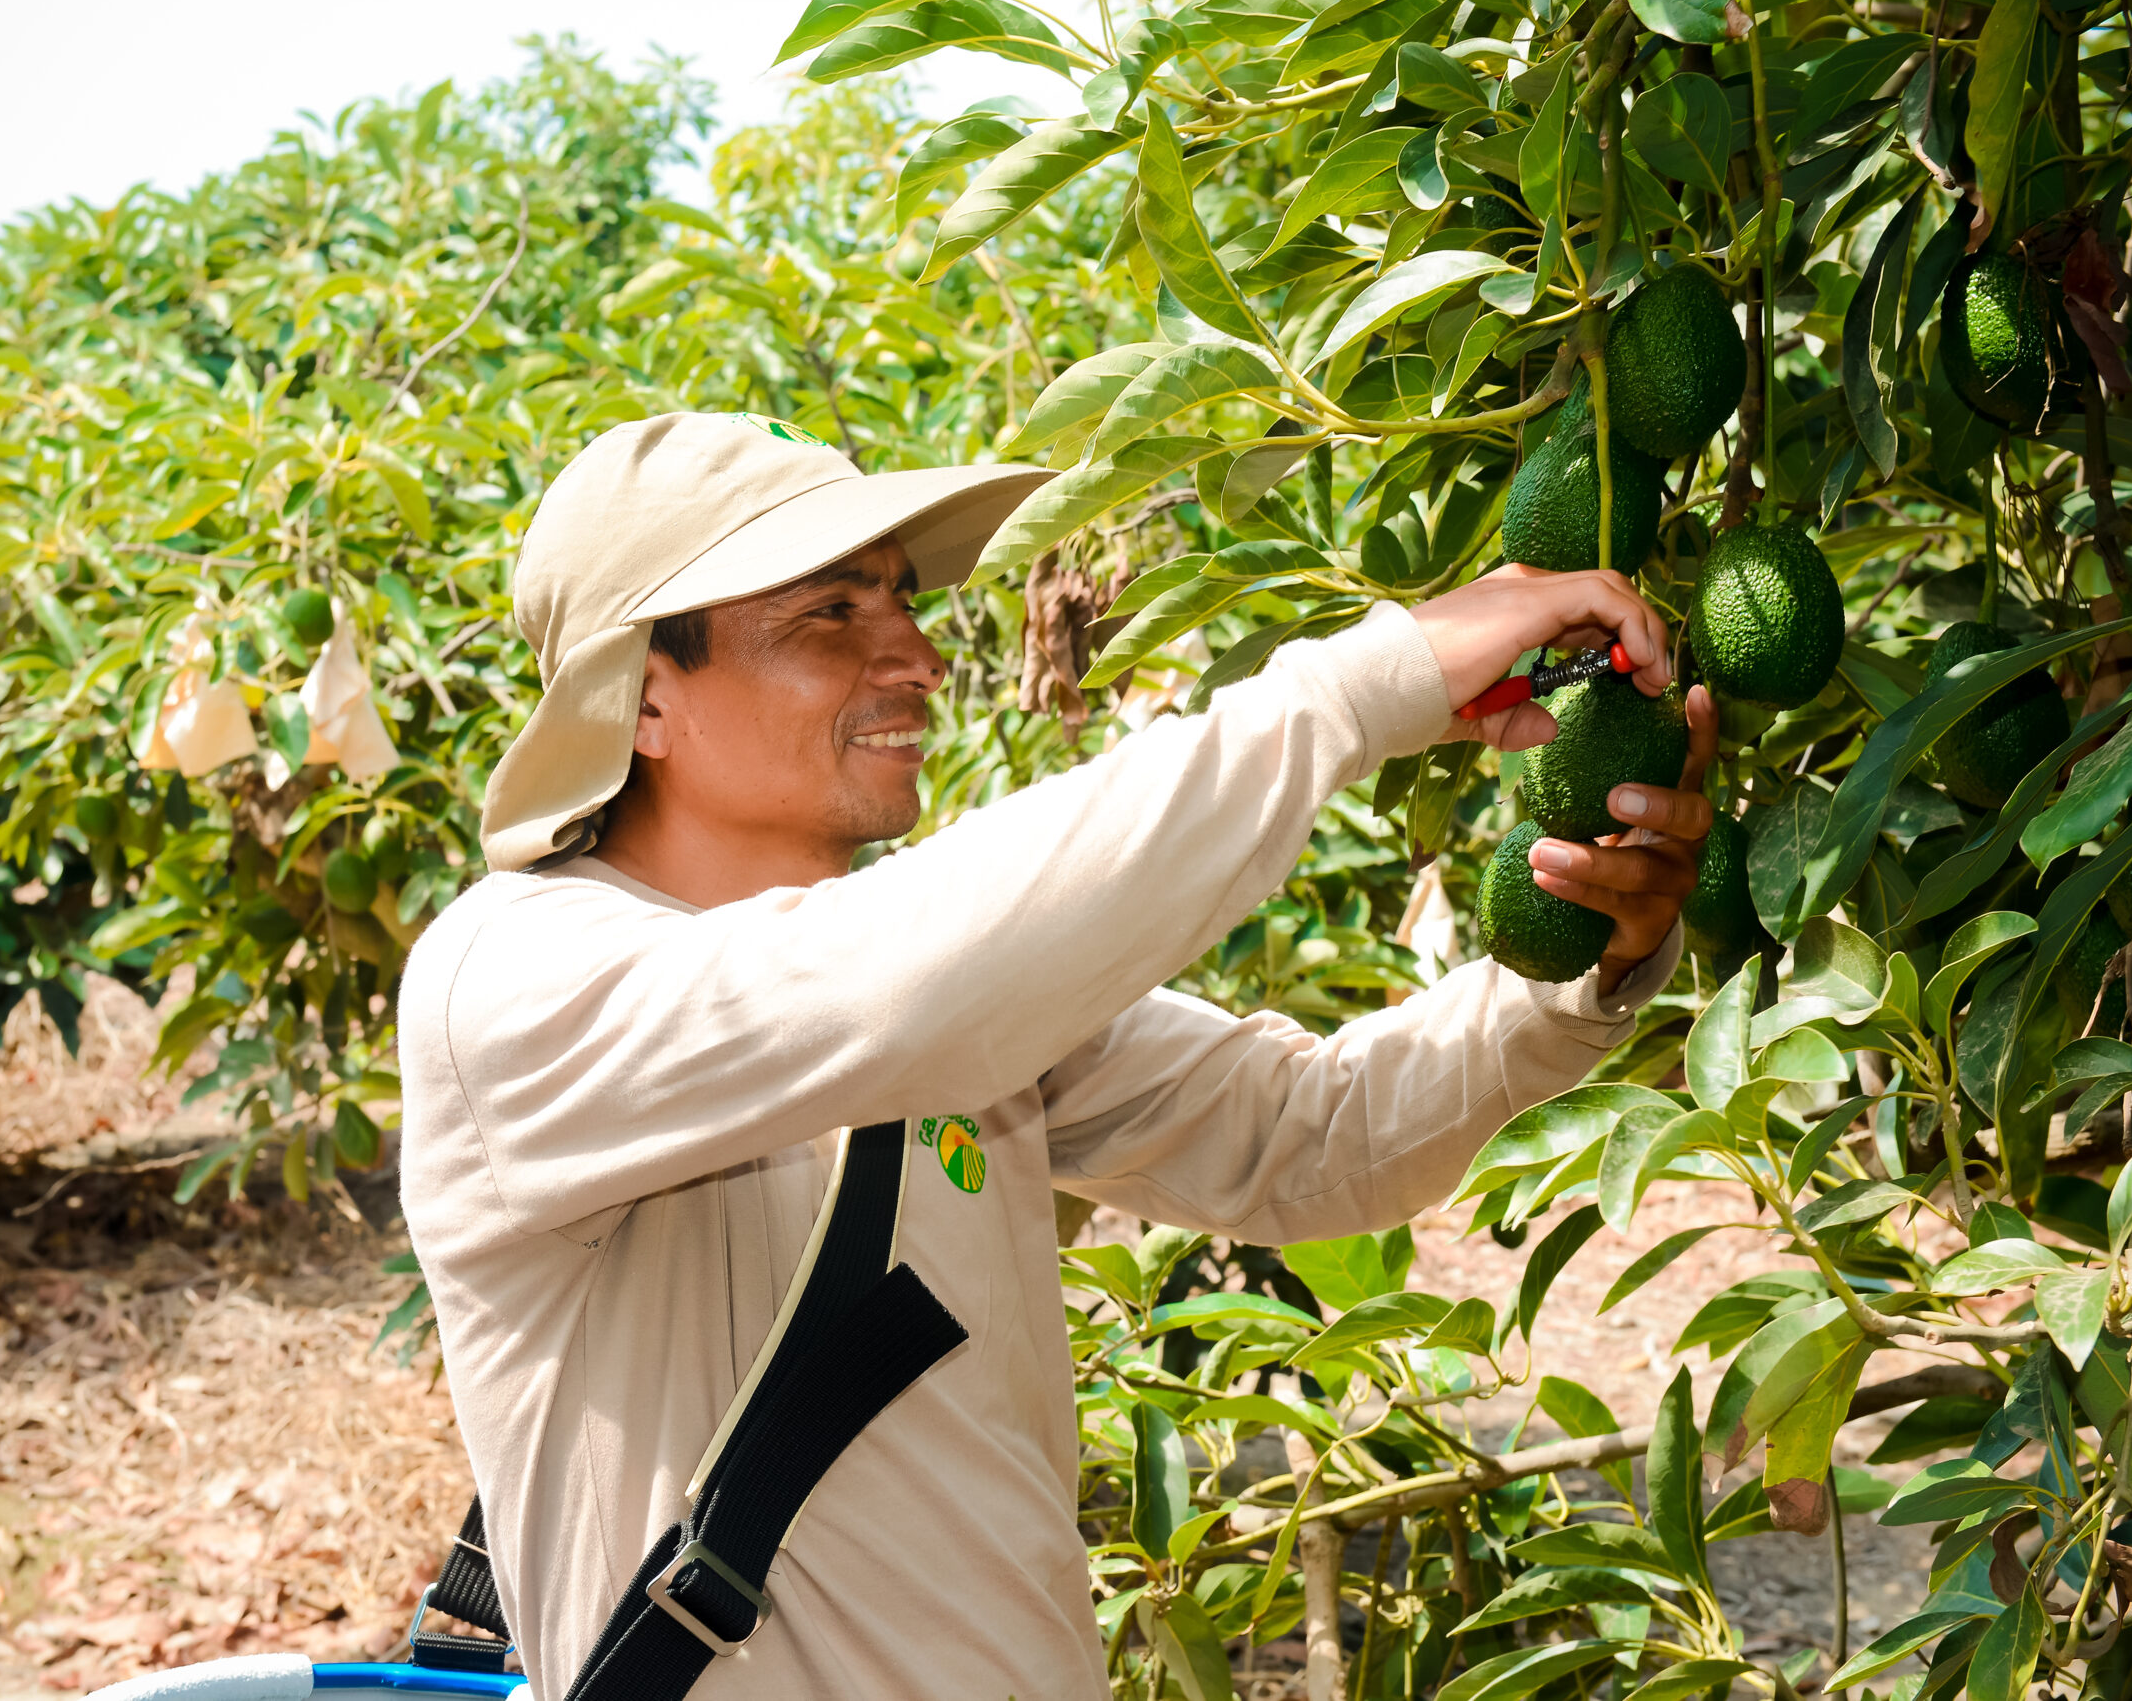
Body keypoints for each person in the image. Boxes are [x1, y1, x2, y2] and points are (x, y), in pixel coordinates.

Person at [398, 411, 1715, 1701]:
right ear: (642, 699)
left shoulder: (942, 983)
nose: (916, 655)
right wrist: (1357, 690)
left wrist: (1575, 974)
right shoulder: (515, 983)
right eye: (832, 616)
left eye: (903, 604)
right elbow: (887, 997)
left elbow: (1305, 1140)